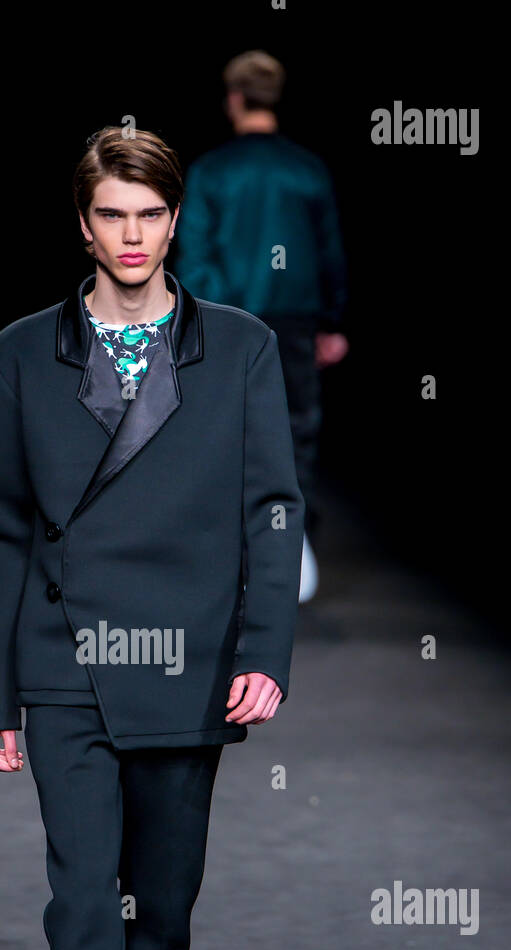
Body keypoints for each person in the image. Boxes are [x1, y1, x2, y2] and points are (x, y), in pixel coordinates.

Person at [0, 126, 304, 950]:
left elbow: (271, 505)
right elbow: (1, 530)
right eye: (111, 214)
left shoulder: (241, 348)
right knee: (80, 911)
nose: (130, 235)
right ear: (83, 222)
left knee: (159, 910)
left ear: (172, 223)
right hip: (64, 664)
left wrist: (264, 650)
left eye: (148, 215)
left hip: (188, 661)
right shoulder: (19, 354)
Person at [174, 50, 349, 601]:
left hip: (228, 320)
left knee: (223, 431)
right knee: (295, 432)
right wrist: (332, 319)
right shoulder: (307, 170)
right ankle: (287, 550)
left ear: (233, 98)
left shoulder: (211, 171)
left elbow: (194, 254)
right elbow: (329, 254)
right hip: (295, 320)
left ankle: (225, 555)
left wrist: (196, 319)